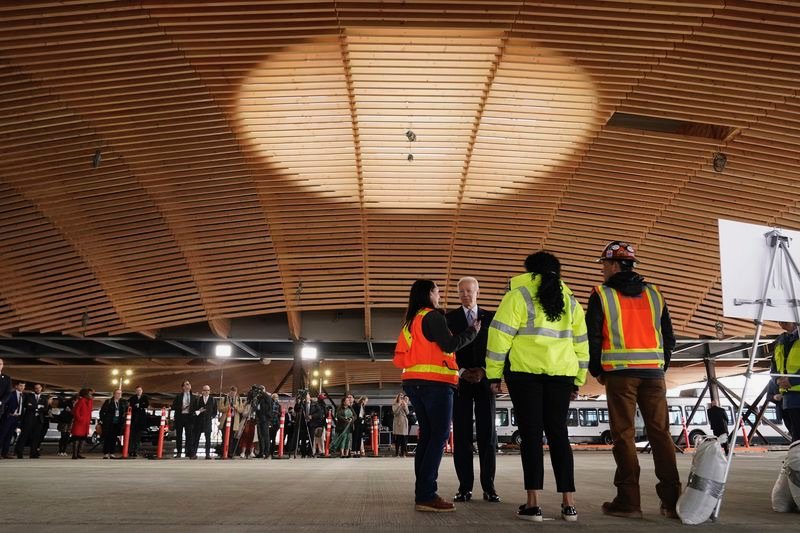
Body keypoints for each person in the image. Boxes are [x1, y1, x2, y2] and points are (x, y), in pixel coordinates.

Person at [486, 251, 587, 522]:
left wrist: (494, 375)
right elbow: (582, 342)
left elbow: (499, 337)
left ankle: (533, 504)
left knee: (531, 436)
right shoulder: (571, 300)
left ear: (529, 271)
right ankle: (569, 504)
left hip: (524, 375)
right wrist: (578, 378)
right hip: (562, 374)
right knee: (559, 435)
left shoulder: (518, 295)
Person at [586, 241, 680, 520]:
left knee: (624, 436)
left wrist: (597, 370)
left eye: (604, 264)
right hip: (654, 373)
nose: (602, 270)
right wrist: (661, 365)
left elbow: (593, 337)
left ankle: (629, 502)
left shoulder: (601, 294)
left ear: (615, 265)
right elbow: (669, 337)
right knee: (661, 434)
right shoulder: (655, 294)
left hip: (619, 374)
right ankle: (672, 502)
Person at [393, 279, 479, 513]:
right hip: (435, 384)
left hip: (414, 384)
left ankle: (422, 492)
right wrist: (472, 332)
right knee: (438, 437)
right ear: (430, 293)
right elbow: (449, 345)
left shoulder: (412, 320)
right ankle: (426, 494)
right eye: (438, 291)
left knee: (427, 437)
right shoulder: (432, 316)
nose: (439, 295)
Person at [446, 276, 499, 503]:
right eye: (461, 292)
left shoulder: (493, 318)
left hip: (486, 382)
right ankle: (464, 487)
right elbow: (445, 351)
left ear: (478, 291)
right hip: (461, 383)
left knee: (488, 437)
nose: (465, 295)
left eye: (469, 291)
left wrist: (486, 371)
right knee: (463, 435)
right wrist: (461, 371)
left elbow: (500, 348)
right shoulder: (448, 319)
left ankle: (489, 487)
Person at [771, 321, 800, 443]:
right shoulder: (780, 341)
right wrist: (777, 380)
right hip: (789, 397)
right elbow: (774, 367)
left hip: (795, 390)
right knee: (796, 434)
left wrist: (792, 380)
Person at [16, 383, 48, 459]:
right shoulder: (29, 396)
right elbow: (27, 405)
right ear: (34, 389)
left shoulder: (44, 398)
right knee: (24, 436)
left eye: (39, 388)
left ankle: (33, 453)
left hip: (38, 420)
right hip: (29, 419)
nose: (37, 389)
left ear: (41, 388)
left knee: (36, 437)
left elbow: (45, 408)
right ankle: (19, 452)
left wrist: (35, 407)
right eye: (36, 388)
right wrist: (38, 407)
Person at [217, 386, 245, 458]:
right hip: (225, 420)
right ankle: (223, 452)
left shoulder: (239, 399)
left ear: (236, 393)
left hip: (234, 420)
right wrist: (228, 407)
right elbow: (220, 408)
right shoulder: (225, 398)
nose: (233, 394)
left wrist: (236, 407)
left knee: (231, 438)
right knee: (224, 437)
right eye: (232, 393)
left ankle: (230, 452)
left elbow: (241, 410)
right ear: (230, 392)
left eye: (234, 393)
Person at [0, 381, 25, 459]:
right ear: (16, 386)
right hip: (9, 417)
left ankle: (5, 453)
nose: (22, 387)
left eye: (24, 386)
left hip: (16, 418)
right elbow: (4, 404)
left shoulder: (23, 396)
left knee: (9, 435)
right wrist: (6, 413)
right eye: (20, 386)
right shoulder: (11, 394)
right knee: (2, 435)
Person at [99, 389, 126, 459]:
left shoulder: (122, 402)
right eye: (117, 393)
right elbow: (102, 411)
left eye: (120, 393)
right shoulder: (108, 402)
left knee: (114, 438)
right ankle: (105, 453)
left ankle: (112, 452)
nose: (119, 395)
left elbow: (125, 411)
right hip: (109, 423)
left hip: (117, 423)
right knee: (107, 437)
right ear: (114, 394)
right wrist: (103, 420)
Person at [171, 380, 195, 458]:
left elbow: (195, 408)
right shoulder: (179, 396)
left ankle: (189, 452)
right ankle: (178, 452)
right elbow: (173, 406)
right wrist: (180, 408)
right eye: (186, 384)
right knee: (179, 436)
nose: (188, 385)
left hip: (189, 418)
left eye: (189, 384)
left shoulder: (194, 397)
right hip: (180, 417)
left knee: (189, 436)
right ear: (183, 387)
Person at [193, 385, 218, 459]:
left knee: (208, 439)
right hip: (198, 422)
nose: (206, 391)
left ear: (209, 391)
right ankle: (194, 454)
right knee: (196, 439)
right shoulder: (198, 400)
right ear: (202, 391)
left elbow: (215, 412)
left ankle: (207, 455)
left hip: (207, 422)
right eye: (205, 390)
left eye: (208, 390)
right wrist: (199, 411)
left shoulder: (213, 400)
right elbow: (194, 412)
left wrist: (211, 417)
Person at [70, 388, 93, 459]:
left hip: (85, 422)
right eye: (90, 394)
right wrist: (80, 419)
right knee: (76, 438)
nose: (91, 395)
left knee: (82, 438)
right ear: (85, 395)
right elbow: (75, 411)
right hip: (80, 423)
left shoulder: (89, 401)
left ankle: (79, 453)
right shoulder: (81, 401)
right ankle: (75, 454)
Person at [127, 386, 149, 458]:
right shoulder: (132, 398)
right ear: (135, 391)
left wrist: (139, 405)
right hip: (133, 420)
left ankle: (135, 451)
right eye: (137, 390)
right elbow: (130, 405)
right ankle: (130, 451)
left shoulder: (145, 397)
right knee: (132, 436)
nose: (139, 391)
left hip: (140, 420)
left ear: (142, 391)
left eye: (140, 390)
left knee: (138, 437)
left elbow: (146, 405)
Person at [253, 386, 273, 459]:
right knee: (260, 436)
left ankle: (267, 453)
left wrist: (262, 392)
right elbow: (255, 407)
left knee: (266, 436)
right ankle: (261, 452)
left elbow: (269, 407)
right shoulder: (259, 398)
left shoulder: (267, 397)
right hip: (259, 419)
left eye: (261, 390)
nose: (260, 392)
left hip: (265, 419)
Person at [392, 393, 409, 457]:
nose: (401, 398)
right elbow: (395, 412)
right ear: (398, 397)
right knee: (398, 439)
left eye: (402, 397)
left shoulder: (405, 404)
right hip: (398, 422)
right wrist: (399, 406)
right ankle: (396, 453)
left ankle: (403, 453)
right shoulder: (394, 404)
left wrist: (405, 406)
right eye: (400, 397)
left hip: (404, 422)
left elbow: (407, 412)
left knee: (403, 439)